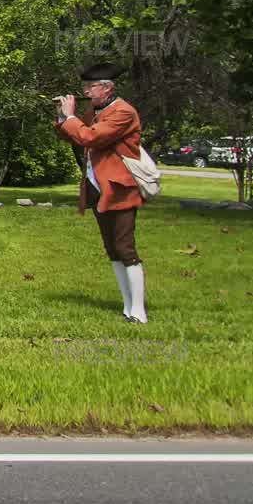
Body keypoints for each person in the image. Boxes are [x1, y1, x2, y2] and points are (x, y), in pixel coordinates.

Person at [52, 62, 149, 323]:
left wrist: (71, 118)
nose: (85, 91)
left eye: (89, 86)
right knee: (112, 249)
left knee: (125, 247)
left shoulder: (123, 112)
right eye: (85, 86)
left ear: (107, 87)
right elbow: (72, 135)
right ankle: (127, 306)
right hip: (98, 189)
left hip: (120, 189)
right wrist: (62, 117)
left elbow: (91, 137)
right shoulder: (95, 110)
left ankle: (139, 311)